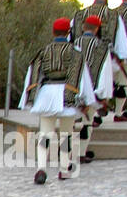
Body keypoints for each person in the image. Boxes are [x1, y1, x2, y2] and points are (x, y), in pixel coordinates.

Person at [20, 17, 95, 183]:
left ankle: (41, 168)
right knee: (66, 134)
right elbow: (82, 78)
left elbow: (33, 74)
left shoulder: (43, 51)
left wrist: (31, 97)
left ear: (53, 32)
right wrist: (86, 101)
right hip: (67, 93)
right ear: (68, 32)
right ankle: (63, 169)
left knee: (45, 134)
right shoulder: (76, 53)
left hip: (47, 93)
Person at [71, 0, 127, 122]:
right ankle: (96, 113)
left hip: (78, 53)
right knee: (102, 83)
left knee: (81, 83)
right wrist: (121, 56)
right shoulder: (113, 15)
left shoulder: (79, 14)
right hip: (103, 55)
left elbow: (71, 35)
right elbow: (120, 37)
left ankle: (81, 114)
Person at [74, 15, 112, 163]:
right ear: (97, 29)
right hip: (92, 89)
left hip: (74, 88)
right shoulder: (102, 47)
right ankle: (81, 153)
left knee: (72, 122)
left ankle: (69, 150)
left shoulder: (73, 44)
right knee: (87, 122)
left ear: (84, 27)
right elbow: (105, 72)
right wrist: (102, 96)